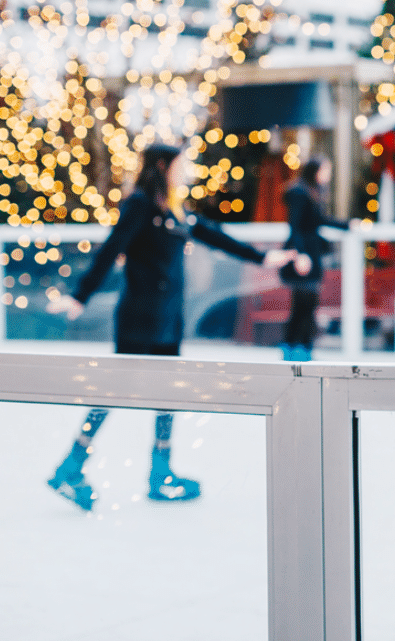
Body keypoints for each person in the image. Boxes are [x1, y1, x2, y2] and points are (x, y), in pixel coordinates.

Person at [46, 142, 295, 511]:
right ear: (163, 166)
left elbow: (214, 234)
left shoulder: (174, 209)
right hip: (140, 317)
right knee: (117, 388)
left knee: (168, 392)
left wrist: (263, 256)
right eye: (182, 164)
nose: (188, 170)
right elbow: (111, 248)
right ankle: (71, 465)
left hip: (167, 317)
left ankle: (160, 473)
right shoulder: (140, 205)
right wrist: (80, 296)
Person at [278, 156, 348, 361]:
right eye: (325, 170)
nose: (327, 175)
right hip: (305, 254)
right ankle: (297, 347)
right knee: (304, 304)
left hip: (309, 253)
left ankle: (297, 347)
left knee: (305, 304)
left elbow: (318, 220)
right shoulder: (301, 193)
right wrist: (300, 254)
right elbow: (296, 225)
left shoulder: (311, 192)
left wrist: (345, 225)